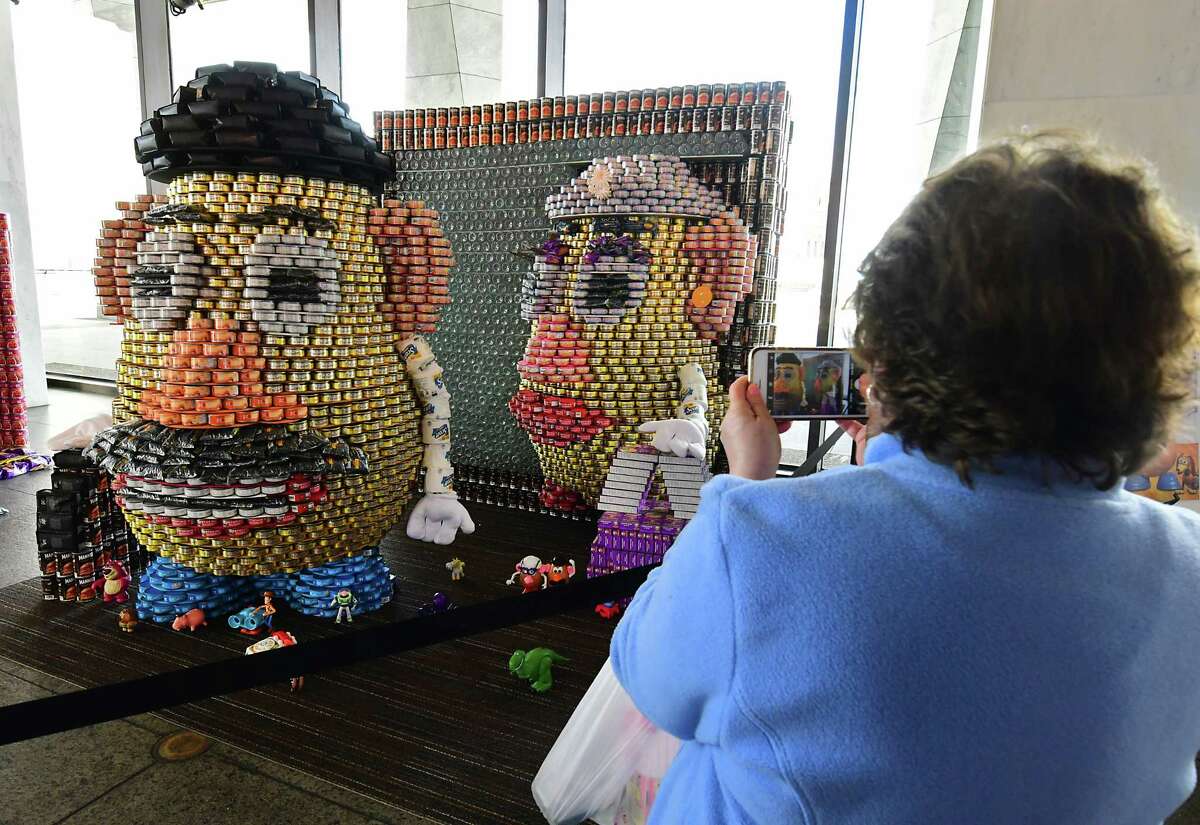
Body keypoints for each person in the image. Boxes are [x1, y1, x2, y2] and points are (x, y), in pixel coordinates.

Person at [610, 134, 1200, 824]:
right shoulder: (1187, 565)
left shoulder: (762, 539)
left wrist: (749, 481)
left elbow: (648, 672)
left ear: (895, 346)